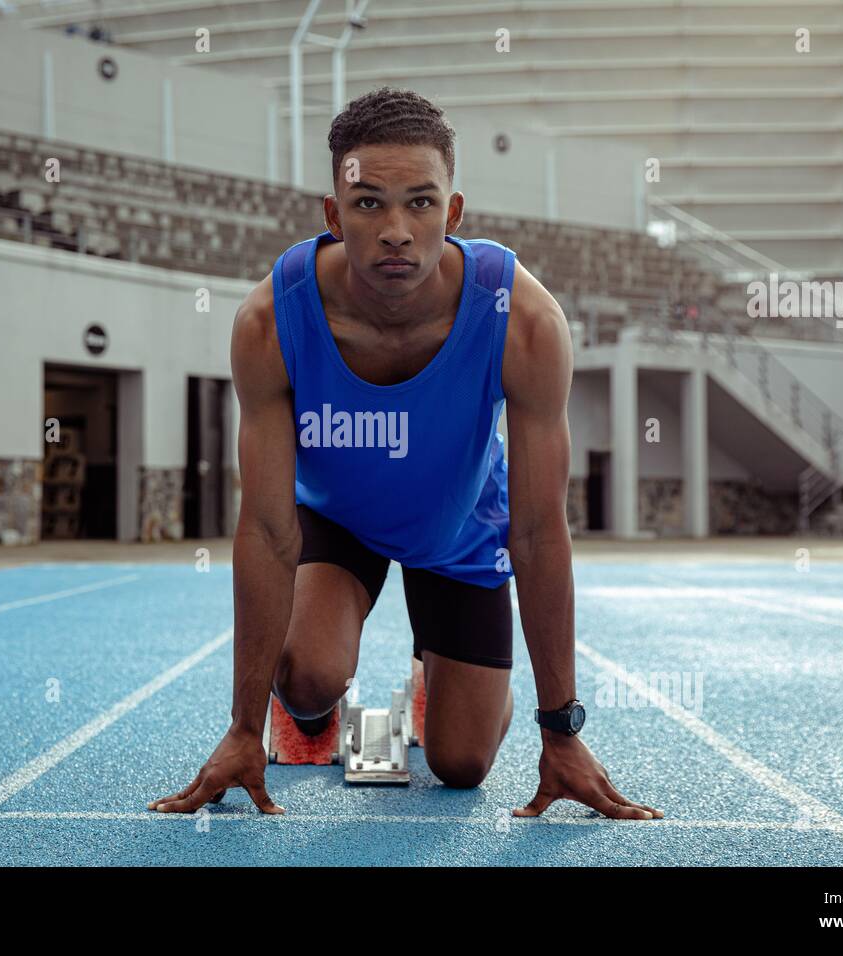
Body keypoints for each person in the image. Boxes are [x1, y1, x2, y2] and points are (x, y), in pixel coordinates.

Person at [148, 88, 661, 822]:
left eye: (420, 204)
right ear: (332, 215)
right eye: (368, 204)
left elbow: (542, 531)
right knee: (310, 675)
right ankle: (312, 715)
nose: (396, 231)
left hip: (458, 534)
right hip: (339, 522)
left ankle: (437, 680)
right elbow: (265, 530)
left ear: (452, 215)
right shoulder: (271, 321)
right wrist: (243, 729)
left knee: (461, 766)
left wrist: (561, 730)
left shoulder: (525, 323)